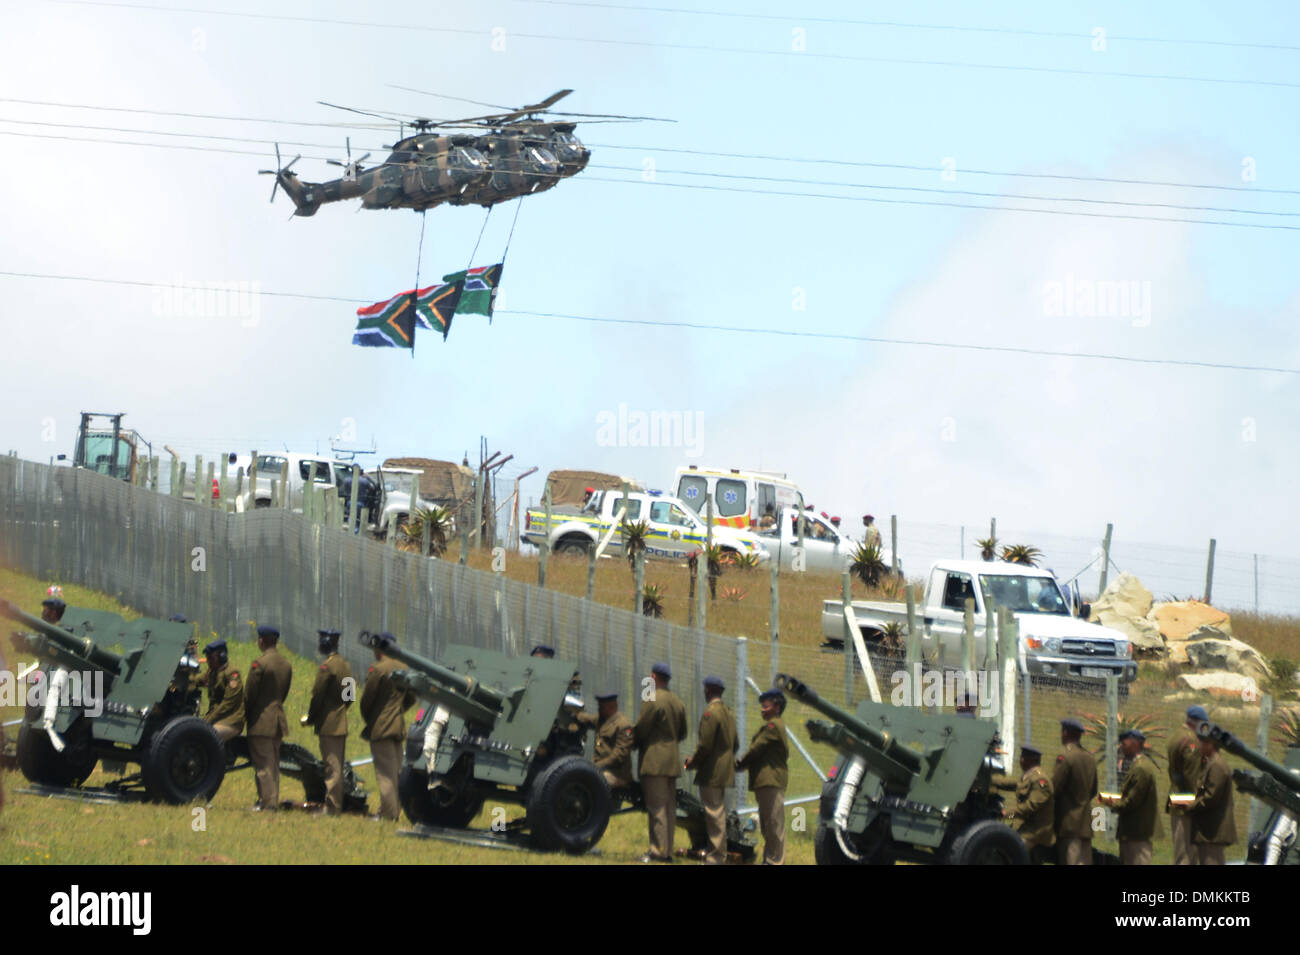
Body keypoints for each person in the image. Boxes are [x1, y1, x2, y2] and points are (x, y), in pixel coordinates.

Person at [633, 662, 687, 863]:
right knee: (669, 809)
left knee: (656, 809)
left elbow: (642, 728)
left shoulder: (651, 698)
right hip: (672, 761)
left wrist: (633, 742)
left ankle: (657, 852)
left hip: (654, 760)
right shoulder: (677, 701)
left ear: (653, 677)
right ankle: (667, 851)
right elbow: (683, 732)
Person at [360, 632, 417, 821]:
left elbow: (367, 700)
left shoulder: (378, 669)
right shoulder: (404, 667)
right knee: (397, 773)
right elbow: (411, 697)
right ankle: (396, 810)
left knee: (385, 774)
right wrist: (398, 710)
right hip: (397, 726)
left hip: (381, 726)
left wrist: (371, 717)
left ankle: (388, 814)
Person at [683, 675, 737, 865]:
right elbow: (735, 744)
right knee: (718, 813)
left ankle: (716, 857)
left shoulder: (710, 714)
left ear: (708, 690)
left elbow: (705, 746)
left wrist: (692, 763)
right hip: (725, 771)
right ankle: (718, 854)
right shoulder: (729, 713)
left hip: (712, 771)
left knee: (714, 815)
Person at [738, 688, 789, 865]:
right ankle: (770, 859)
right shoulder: (772, 725)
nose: (762, 708)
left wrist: (740, 763)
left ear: (776, 706)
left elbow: (756, 748)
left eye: (765, 704)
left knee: (773, 824)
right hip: (766, 782)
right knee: (768, 825)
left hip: (771, 781)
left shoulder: (773, 726)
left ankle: (774, 861)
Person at [244, 624, 292, 811]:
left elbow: (250, 694)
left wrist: (246, 714)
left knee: (263, 766)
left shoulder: (260, 663)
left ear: (261, 641)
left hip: (261, 720)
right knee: (273, 764)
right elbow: (284, 692)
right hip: (278, 719)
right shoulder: (286, 664)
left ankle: (268, 804)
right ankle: (271, 800)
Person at [305, 629, 352, 816]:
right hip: (341, 722)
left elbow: (317, 696)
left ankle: (332, 808)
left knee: (332, 768)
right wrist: (340, 709)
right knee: (337, 767)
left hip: (328, 724)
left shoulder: (327, 667)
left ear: (325, 643)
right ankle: (334, 805)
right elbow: (350, 696)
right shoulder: (345, 665)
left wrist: (311, 717)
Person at [1104, 729, 1159, 865]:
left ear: (1136, 744)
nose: (1121, 748)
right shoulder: (1137, 766)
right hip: (1132, 832)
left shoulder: (1141, 769)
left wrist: (1112, 804)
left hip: (1137, 834)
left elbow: (1132, 801)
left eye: (1124, 744)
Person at [1052, 717, 1098, 865]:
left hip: (1068, 823)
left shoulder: (1065, 757)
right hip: (1085, 824)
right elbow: (1093, 790)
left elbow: (1054, 788)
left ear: (1065, 733)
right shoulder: (1089, 758)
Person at [1000, 744, 1055, 864]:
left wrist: (1006, 813)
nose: (1021, 760)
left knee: (1009, 852)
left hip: (1035, 831)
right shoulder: (1028, 776)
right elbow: (1012, 784)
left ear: (1033, 761)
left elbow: (1030, 806)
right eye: (1021, 757)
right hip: (1026, 826)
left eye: (1024, 758)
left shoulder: (1041, 780)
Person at [1167, 704, 1207, 865]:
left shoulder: (1176, 735)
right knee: (1187, 853)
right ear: (1196, 722)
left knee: (1180, 847)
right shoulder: (1192, 741)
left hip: (1176, 794)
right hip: (1187, 799)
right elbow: (1192, 776)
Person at [1189, 732, 1236, 865]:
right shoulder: (1210, 763)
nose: (1198, 746)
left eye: (1202, 743)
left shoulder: (1217, 766)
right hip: (1208, 829)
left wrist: (1188, 805)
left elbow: (1210, 797)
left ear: (1211, 745)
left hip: (1213, 831)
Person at [200, 639, 244, 744]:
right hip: (217, 718)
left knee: (205, 736)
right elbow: (199, 680)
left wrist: (207, 721)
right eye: (207, 657)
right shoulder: (213, 671)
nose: (208, 661)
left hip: (230, 721)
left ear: (222, 656)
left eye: (211, 657)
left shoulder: (232, 674)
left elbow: (227, 704)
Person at [592, 690, 635, 790]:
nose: (599, 709)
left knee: (596, 780)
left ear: (611, 707)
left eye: (602, 707)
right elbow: (587, 718)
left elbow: (619, 755)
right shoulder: (602, 720)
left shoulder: (623, 725)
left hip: (617, 774)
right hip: (602, 769)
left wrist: (596, 766)